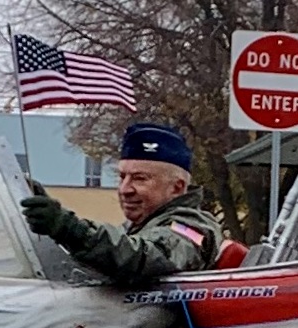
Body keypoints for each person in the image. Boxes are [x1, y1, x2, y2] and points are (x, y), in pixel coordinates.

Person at [19, 122, 221, 285]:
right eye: (122, 177)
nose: (125, 189)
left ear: (176, 187)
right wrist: (57, 229)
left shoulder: (189, 228)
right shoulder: (140, 226)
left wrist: (70, 229)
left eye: (140, 178)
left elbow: (144, 259)